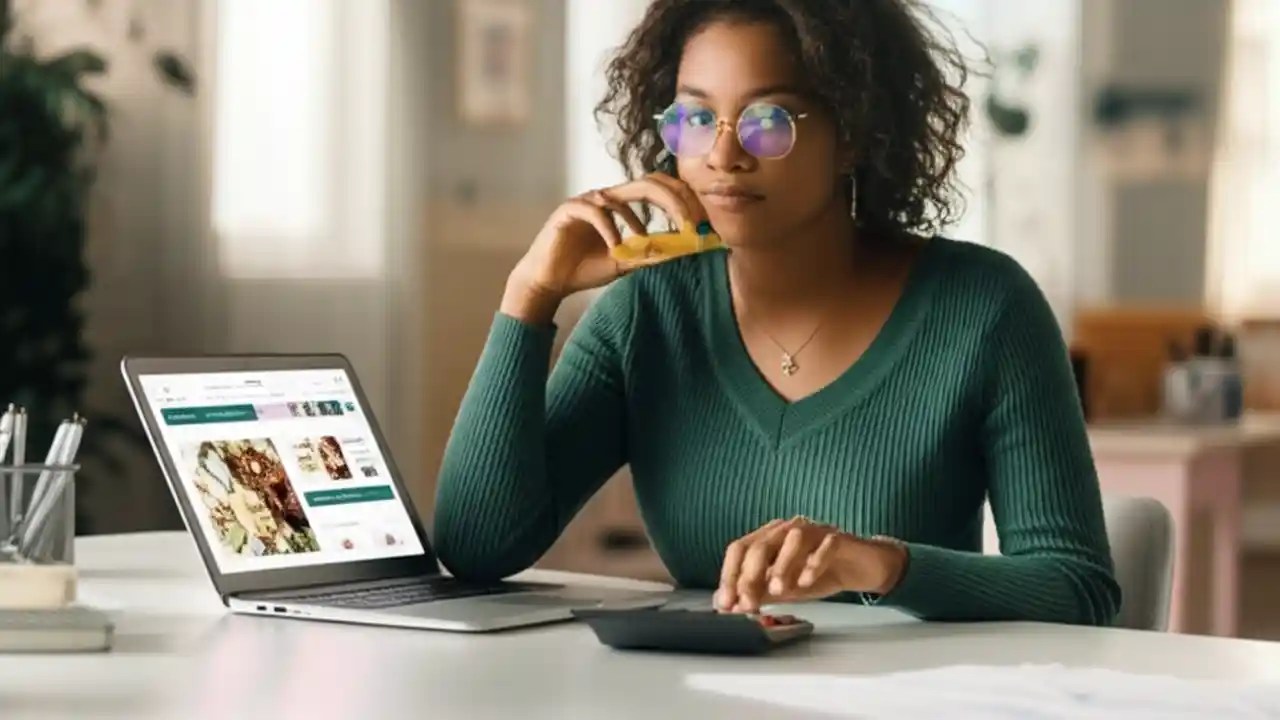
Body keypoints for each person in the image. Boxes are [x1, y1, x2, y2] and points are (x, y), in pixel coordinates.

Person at [432, 0, 1121, 625]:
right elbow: (478, 546)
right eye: (697, 118)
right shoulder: (648, 311)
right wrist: (530, 295)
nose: (724, 156)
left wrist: (877, 564)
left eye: (768, 121)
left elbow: (1078, 588)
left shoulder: (985, 308)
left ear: (852, 134)